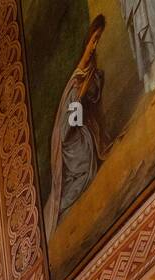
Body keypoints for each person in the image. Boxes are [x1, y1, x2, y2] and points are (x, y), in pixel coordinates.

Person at [43, 16, 112, 236]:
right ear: (87, 41)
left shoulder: (89, 73)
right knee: (85, 170)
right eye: (93, 40)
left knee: (91, 151)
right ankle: (62, 205)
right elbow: (68, 128)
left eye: (98, 40)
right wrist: (80, 96)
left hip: (79, 133)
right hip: (70, 142)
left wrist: (92, 89)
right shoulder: (75, 82)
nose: (95, 46)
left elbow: (92, 101)